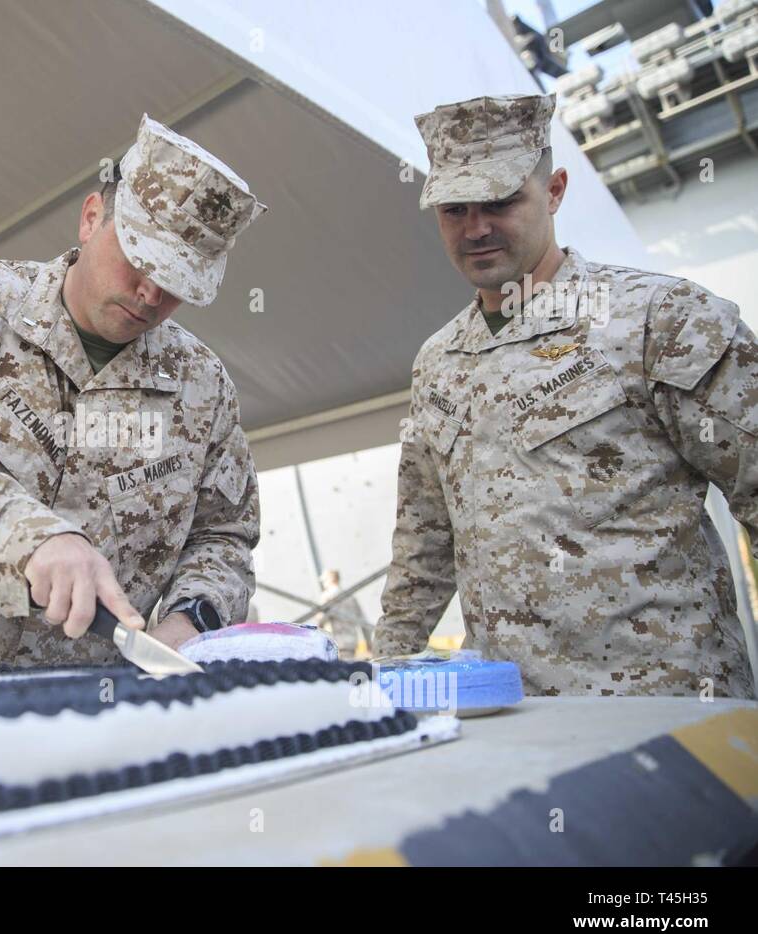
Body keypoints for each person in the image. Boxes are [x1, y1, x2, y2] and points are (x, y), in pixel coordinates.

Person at [0, 114, 267, 677]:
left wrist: (193, 617)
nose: (150, 293)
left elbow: (225, 533)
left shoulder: (203, 387)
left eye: (178, 284)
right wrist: (23, 534)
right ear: (92, 218)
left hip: (94, 718)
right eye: (141, 259)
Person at [373, 93, 756, 698]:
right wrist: (383, 677)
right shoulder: (438, 363)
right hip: (506, 713)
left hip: (665, 708)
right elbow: (424, 543)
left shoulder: (661, 319)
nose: (475, 229)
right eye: (454, 209)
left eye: (500, 202)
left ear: (554, 191)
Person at [310, 569, 368, 655]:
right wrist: (369, 643)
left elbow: (320, 620)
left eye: (324, 581)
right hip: (351, 643)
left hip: (334, 643)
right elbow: (363, 622)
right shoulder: (350, 597)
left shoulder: (327, 596)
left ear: (331, 579)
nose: (323, 584)